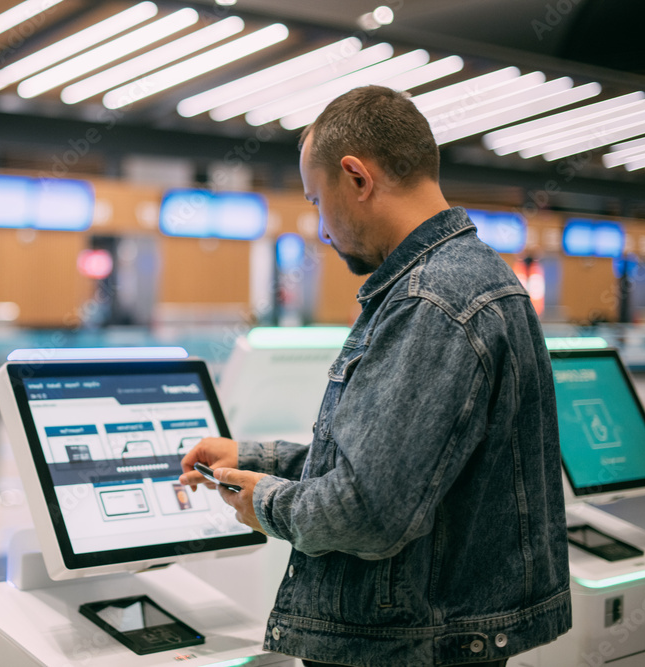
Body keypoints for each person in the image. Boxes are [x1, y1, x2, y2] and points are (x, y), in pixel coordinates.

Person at [180, 85, 571, 667]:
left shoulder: (431, 302)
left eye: (316, 202)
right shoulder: (477, 280)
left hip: (405, 649)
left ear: (357, 178)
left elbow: (368, 512)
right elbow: (401, 471)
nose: (322, 229)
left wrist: (267, 503)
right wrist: (255, 457)